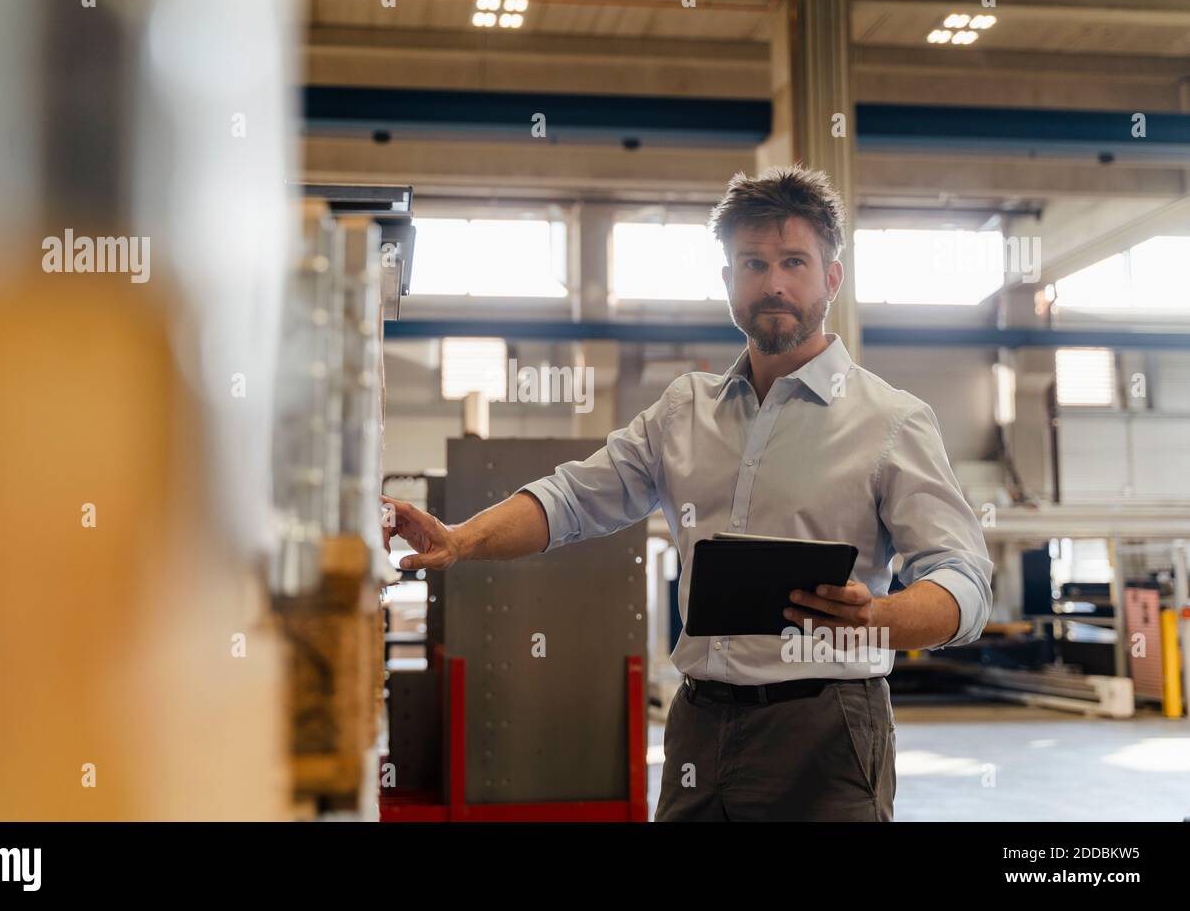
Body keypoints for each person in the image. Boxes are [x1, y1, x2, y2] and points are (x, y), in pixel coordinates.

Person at [381, 165, 993, 821]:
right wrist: (459, 538)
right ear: (729, 279)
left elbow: (964, 582)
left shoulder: (890, 420)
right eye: (752, 263)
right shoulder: (684, 412)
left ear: (831, 278)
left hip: (828, 731)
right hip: (699, 724)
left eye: (795, 261)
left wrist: (879, 617)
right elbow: (572, 499)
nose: (774, 282)